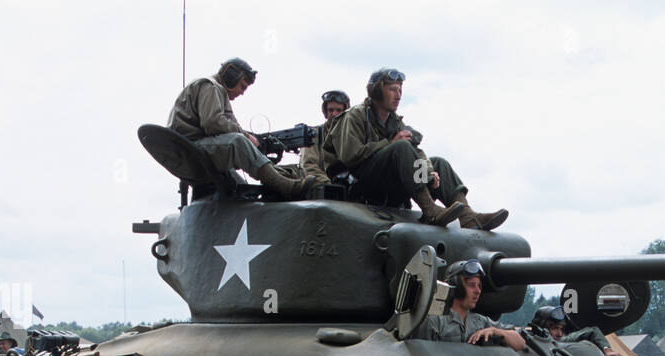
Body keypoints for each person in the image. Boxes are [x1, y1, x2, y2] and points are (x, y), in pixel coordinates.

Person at [324, 68, 508, 230]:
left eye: (400, 90)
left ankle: (468, 217)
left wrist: (429, 172)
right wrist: (390, 143)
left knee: (438, 164)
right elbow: (350, 156)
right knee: (401, 147)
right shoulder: (354, 116)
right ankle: (430, 210)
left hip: (386, 183)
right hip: (361, 184)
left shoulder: (394, 121)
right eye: (392, 89)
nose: (398, 95)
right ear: (377, 91)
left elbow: (415, 152)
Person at [167, 57, 313, 200]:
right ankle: (285, 187)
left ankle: (282, 178)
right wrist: (246, 138)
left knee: (235, 181)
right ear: (231, 77)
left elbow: (229, 124)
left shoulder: (219, 92)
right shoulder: (210, 86)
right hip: (190, 149)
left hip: (194, 149)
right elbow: (212, 123)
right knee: (238, 141)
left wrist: (250, 138)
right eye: (242, 86)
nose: (242, 92)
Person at [414, 260, 525, 350]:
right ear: (456, 286)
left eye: (479, 286)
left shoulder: (481, 322)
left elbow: (520, 343)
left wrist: (495, 331)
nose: (478, 291)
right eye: (472, 285)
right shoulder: (434, 322)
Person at [529, 306, 622, 356]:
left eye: (561, 329)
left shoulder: (560, 341)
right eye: (555, 328)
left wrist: (607, 350)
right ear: (540, 327)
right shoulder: (526, 342)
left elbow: (592, 331)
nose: (560, 334)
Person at [299, 90, 350, 186]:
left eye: (339, 110)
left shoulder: (352, 134)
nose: (334, 114)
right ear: (325, 112)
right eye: (330, 110)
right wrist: (328, 185)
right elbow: (309, 165)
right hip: (324, 187)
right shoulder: (313, 134)